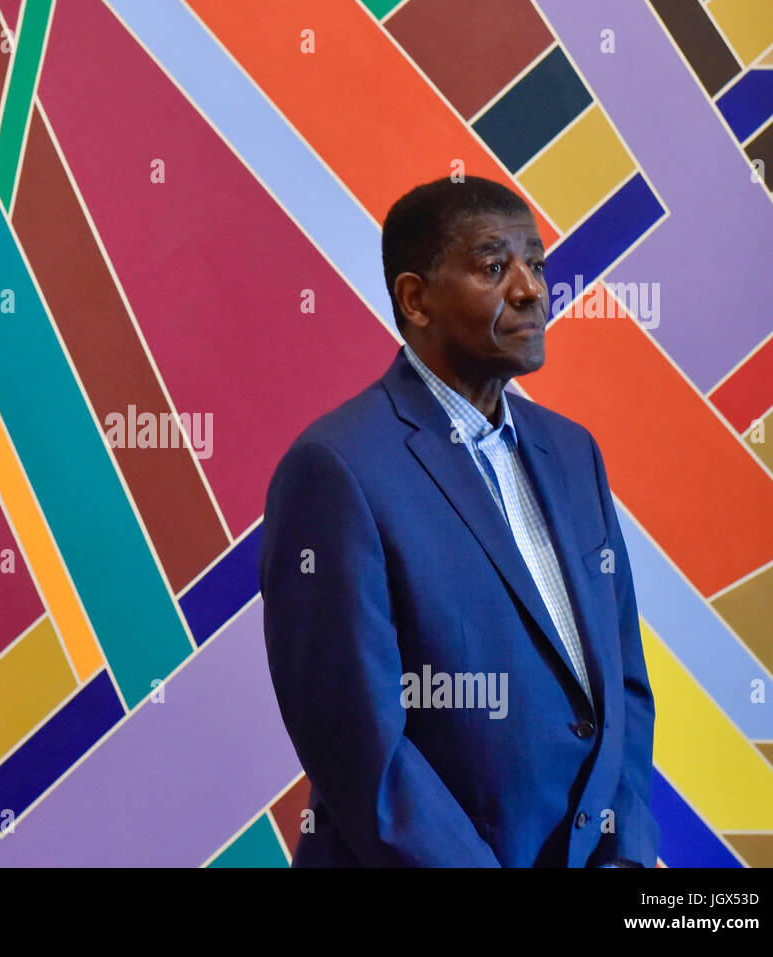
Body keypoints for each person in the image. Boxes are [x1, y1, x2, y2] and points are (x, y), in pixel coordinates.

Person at [259, 175, 658, 867]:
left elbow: (622, 683)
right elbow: (357, 744)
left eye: (537, 264)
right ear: (416, 300)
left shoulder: (573, 452)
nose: (531, 290)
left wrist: (622, 854)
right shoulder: (336, 468)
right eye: (495, 267)